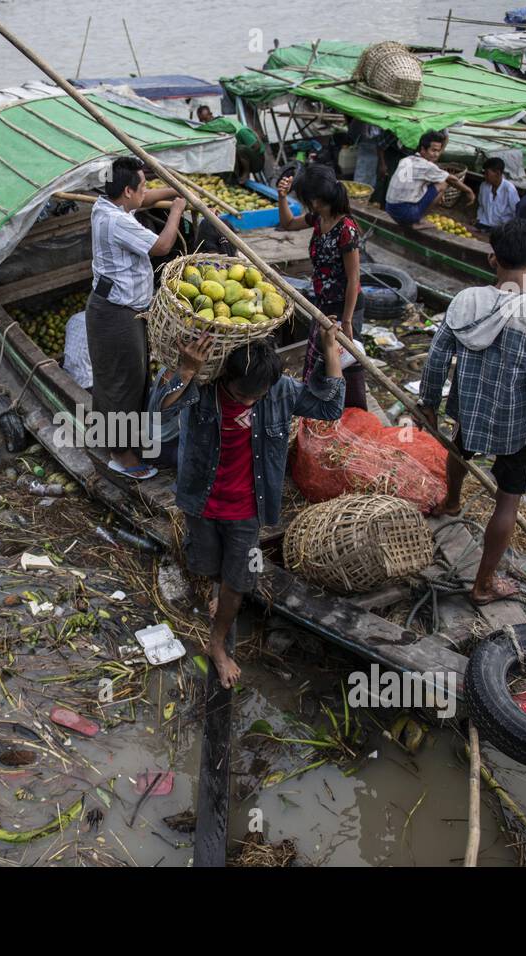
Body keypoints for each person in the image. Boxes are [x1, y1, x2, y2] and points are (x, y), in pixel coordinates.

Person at [159, 325, 345, 687]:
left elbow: (331, 405)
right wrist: (185, 370)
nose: (248, 404)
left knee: (238, 579)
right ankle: (219, 589)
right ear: (226, 376)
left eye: (256, 398)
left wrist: (331, 350)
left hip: (247, 507)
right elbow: (160, 412)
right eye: (243, 396)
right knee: (208, 566)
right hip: (202, 499)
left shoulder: (279, 391)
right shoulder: (203, 388)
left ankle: (217, 642)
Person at [418, 219, 526, 605]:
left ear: (492, 258)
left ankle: (451, 501)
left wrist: (428, 404)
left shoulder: (465, 301)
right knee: (507, 501)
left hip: (469, 411)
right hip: (517, 426)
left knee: (459, 447)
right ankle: (484, 583)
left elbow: (436, 360)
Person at [87, 156, 186, 480]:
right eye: (142, 186)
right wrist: (176, 211)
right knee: (121, 383)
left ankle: (124, 442)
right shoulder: (118, 222)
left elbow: (146, 197)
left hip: (120, 308)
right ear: (128, 191)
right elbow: (162, 245)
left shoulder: (107, 205)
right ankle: (122, 457)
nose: (146, 191)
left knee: (129, 378)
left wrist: (175, 190)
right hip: (116, 313)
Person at [276, 164, 366, 409]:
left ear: (315, 200)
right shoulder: (318, 218)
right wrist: (281, 197)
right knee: (323, 361)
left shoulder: (346, 229)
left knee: (346, 363)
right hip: (323, 303)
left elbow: (354, 279)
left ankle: (352, 412)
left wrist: (347, 321)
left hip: (344, 307)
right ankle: (320, 408)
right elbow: (287, 224)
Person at [385, 130, 474, 227]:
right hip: (406, 214)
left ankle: (415, 217)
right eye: (433, 150)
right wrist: (469, 191)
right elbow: (451, 179)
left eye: (438, 151)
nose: (436, 154)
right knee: (443, 184)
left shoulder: (406, 159)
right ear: (423, 149)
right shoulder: (426, 166)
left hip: (390, 208)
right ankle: (419, 219)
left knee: (435, 182)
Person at [195, 105, 265, 181]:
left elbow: (256, 146)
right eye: (202, 121)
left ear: (211, 114)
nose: (205, 122)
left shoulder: (241, 131)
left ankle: (246, 173)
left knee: (240, 149)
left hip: (257, 161)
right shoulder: (218, 131)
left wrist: (235, 156)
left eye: (206, 119)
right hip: (243, 159)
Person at [474, 156, 518, 234]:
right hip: (485, 223)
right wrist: (479, 218)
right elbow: (481, 205)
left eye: (487, 174)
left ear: (498, 173)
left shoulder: (509, 189)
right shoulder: (483, 186)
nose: (485, 176)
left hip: (502, 227)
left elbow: (516, 210)